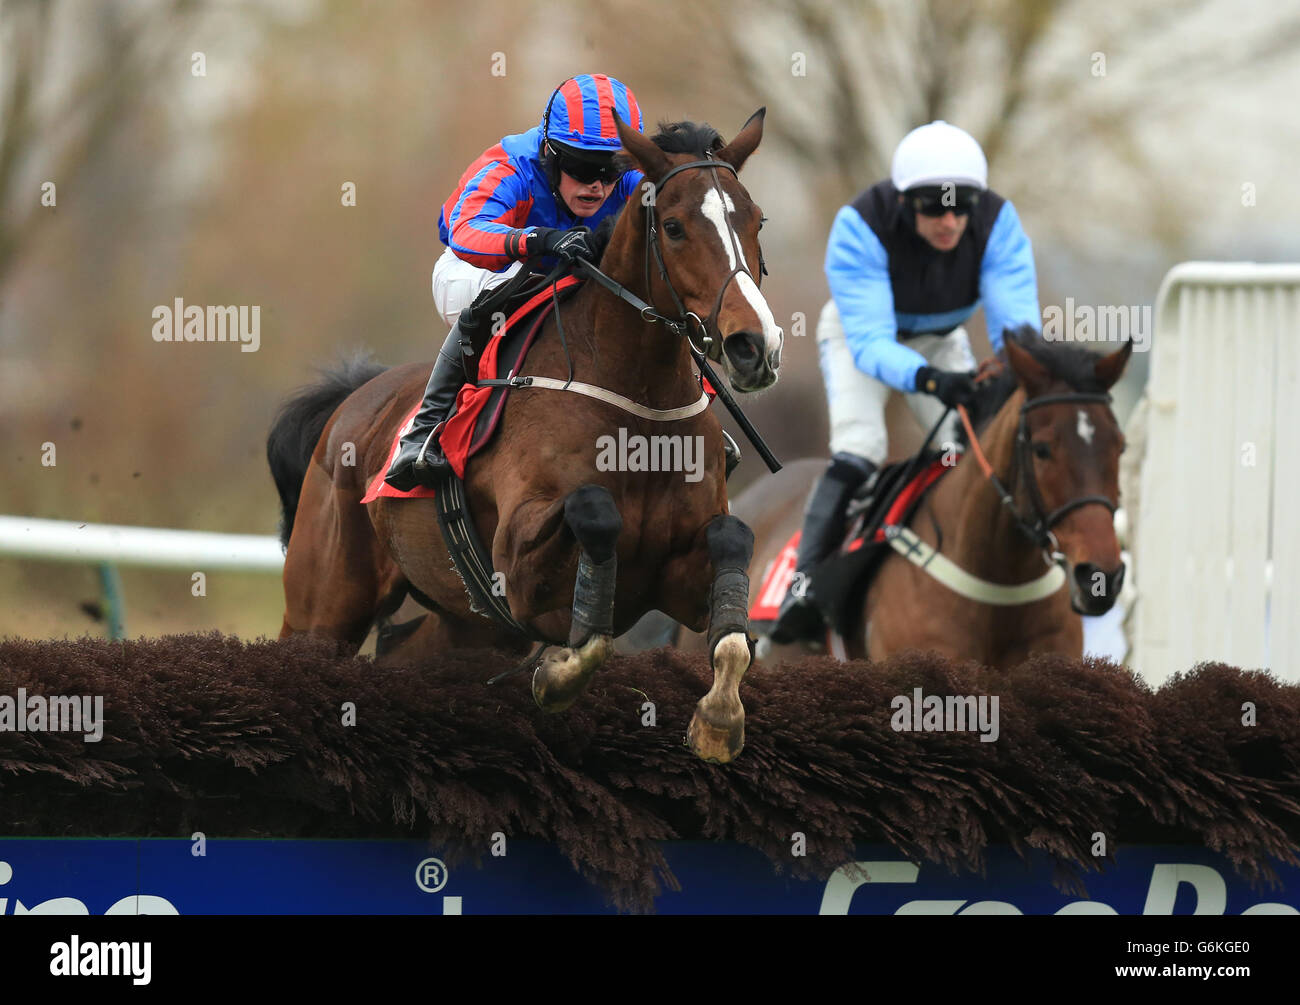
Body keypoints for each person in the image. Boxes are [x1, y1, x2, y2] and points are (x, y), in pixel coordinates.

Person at [769, 120, 1042, 643]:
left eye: (961, 206)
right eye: (933, 208)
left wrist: (1014, 370)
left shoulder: (998, 221)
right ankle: (803, 583)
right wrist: (935, 382)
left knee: (973, 451)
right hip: (859, 338)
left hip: (939, 337)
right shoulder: (860, 226)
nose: (949, 221)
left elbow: (1018, 329)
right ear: (903, 202)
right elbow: (872, 344)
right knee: (861, 449)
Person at [385, 73, 647, 490]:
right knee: (516, 282)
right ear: (550, 152)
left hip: (563, 282)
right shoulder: (511, 168)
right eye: (581, 168)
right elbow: (465, 232)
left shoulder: (630, 185)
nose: (597, 184)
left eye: (612, 169)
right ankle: (424, 430)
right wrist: (537, 239)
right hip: (476, 269)